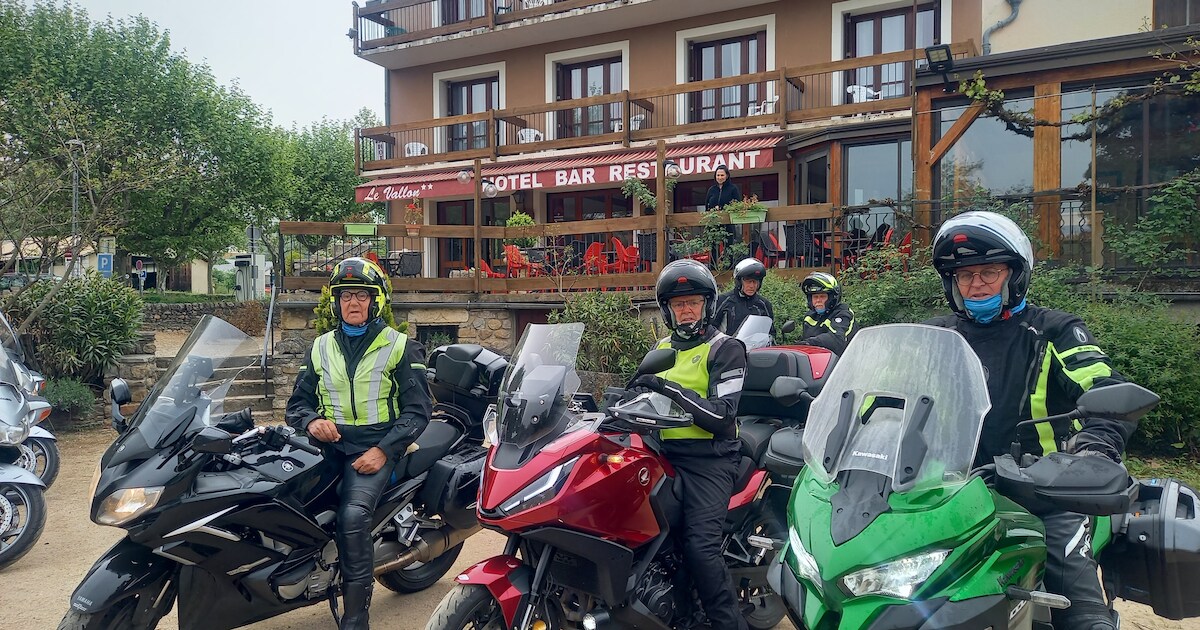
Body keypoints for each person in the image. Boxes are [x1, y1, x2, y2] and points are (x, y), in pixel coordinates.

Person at [924, 211, 1132, 630]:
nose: (976, 283)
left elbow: (1105, 387)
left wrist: (1096, 446)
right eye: (965, 275)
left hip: (1043, 492)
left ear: (1015, 275)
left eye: (989, 271)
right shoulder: (936, 336)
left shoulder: (1054, 330)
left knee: (1077, 607)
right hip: (948, 487)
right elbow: (886, 392)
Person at [286, 257, 432, 630]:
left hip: (377, 447)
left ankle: (356, 619)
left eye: (362, 296)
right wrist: (312, 421)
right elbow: (297, 404)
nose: (353, 302)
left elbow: (418, 412)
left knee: (352, 518)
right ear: (336, 302)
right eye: (346, 295)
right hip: (329, 446)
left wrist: (383, 450)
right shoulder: (319, 347)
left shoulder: (399, 346)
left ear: (376, 301)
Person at [629, 259, 749, 630]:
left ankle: (728, 623)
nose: (686, 310)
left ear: (707, 305)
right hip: (661, 454)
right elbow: (635, 395)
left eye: (693, 302)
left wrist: (669, 388)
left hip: (709, 461)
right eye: (678, 304)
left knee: (700, 547)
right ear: (667, 310)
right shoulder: (661, 347)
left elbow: (722, 417)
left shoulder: (725, 348)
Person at [714, 257, 774, 335]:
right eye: (748, 281)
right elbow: (711, 329)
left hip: (756, 346)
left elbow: (770, 332)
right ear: (739, 281)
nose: (752, 286)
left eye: (755, 282)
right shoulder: (723, 301)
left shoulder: (764, 304)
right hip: (728, 346)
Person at [799, 271, 854, 354]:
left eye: (822, 296)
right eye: (815, 297)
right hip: (818, 362)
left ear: (832, 297)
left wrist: (809, 343)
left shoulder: (843, 313)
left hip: (843, 363)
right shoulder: (809, 317)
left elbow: (837, 339)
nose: (818, 300)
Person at [705, 165, 742, 254]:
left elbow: (737, 204)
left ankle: (729, 267)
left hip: (728, 222)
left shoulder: (733, 189)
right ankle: (713, 267)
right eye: (718, 175)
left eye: (722, 175)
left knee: (729, 246)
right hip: (714, 223)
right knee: (713, 247)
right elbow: (707, 205)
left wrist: (725, 209)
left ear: (727, 176)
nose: (720, 177)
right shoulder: (712, 190)